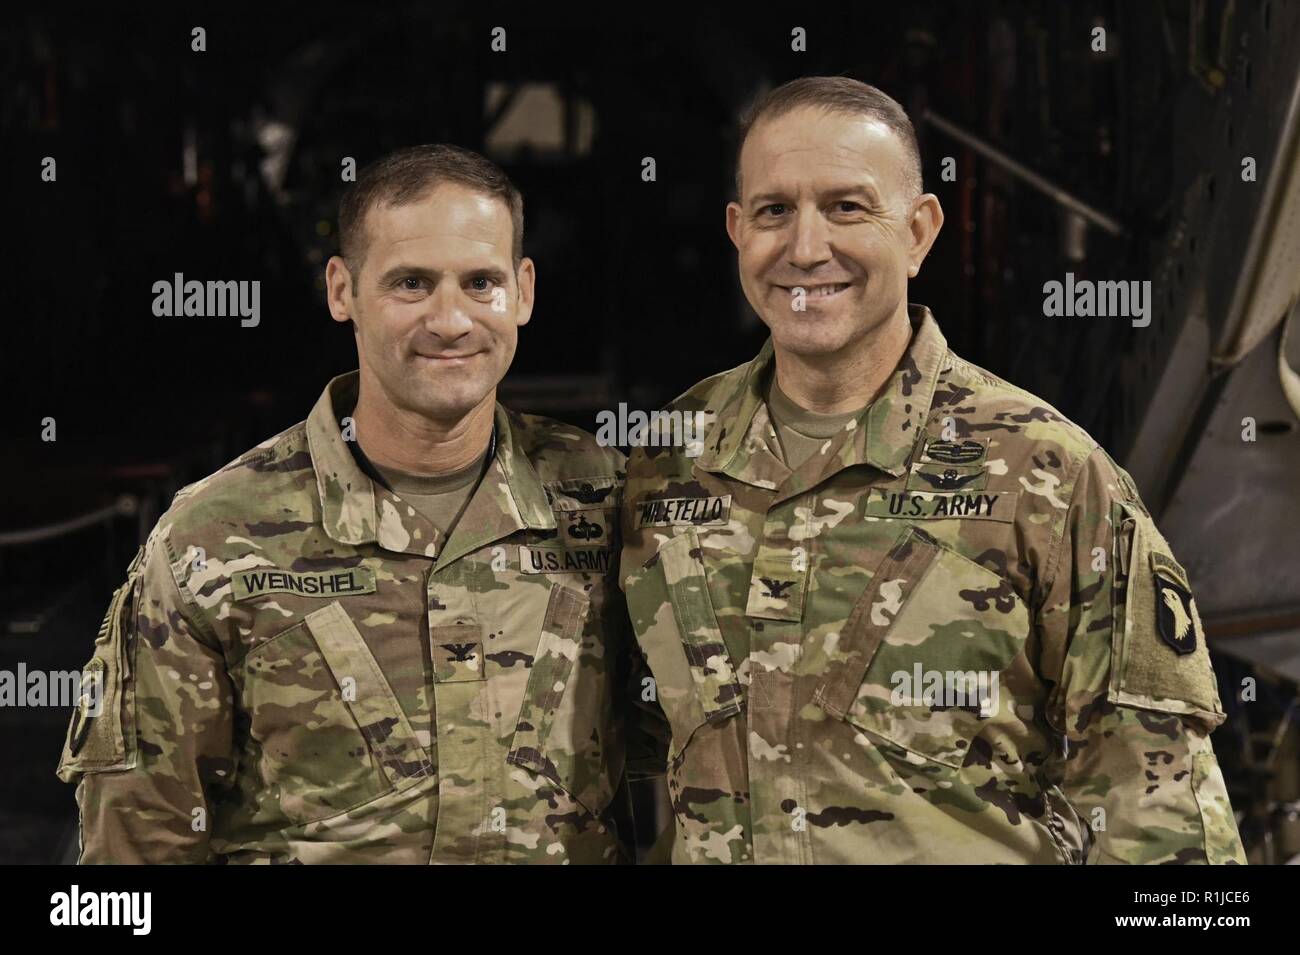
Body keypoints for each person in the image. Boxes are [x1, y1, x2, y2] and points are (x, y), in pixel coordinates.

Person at [619, 77, 1246, 864]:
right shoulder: (667, 466)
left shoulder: (1045, 471)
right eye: (775, 210)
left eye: (847, 207)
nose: (806, 248)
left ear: (919, 231)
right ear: (738, 230)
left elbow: (1162, 810)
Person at [58, 144, 654, 863]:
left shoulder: (610, 503)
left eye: (480, 283)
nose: (451, 320)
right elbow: (133, 853)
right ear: (342, 290)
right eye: (411, 283)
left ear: (523, 292)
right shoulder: (213, 538)